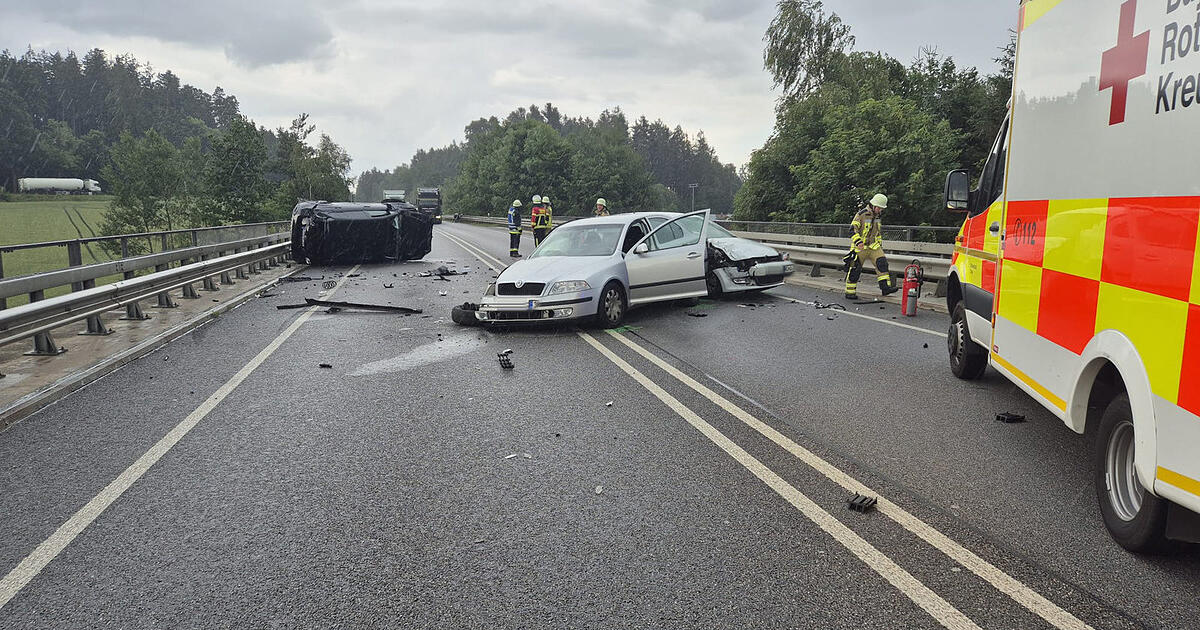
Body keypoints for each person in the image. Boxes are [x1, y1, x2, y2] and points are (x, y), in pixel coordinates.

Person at [845, 193, 899, 300]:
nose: (880, 210)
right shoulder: (861, 214)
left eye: (882, 208)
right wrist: (858, 242)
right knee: (855, 269)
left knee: (882, 264)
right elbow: (852, 229)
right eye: (879, 208)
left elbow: (877, 233)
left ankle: (885, 288)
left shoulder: (878, 216)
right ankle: (850, 292)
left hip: (874, 246)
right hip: (860, 247)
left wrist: (880, 245)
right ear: (873, 206)